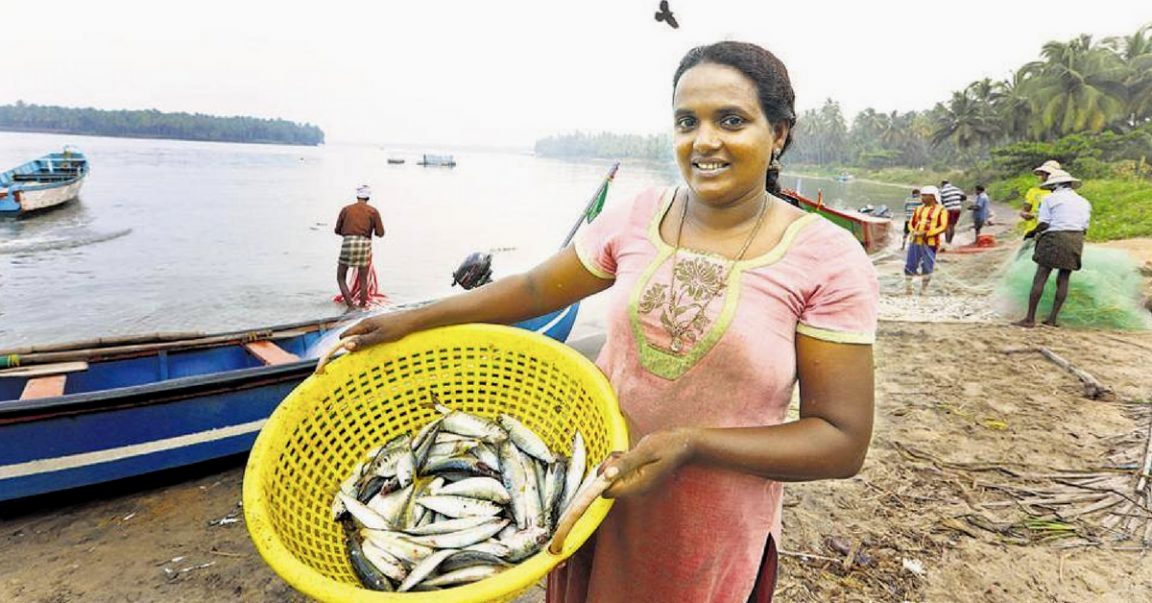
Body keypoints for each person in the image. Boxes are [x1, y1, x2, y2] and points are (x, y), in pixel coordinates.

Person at [338, 41, 879, 603]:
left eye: (733, 121)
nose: (704, 141)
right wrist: (413, 319)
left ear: (780, 134)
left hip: (709, 527)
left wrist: (693, 444)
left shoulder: (826, 258)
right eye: (687, 121)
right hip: (592, 497)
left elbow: (840, 441)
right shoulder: (641, 215)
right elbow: (532, 288)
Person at [1013, 169, 1091, 328]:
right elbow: (1084, 228)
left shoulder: (1049, 199)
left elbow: (1044, 223)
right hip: (1076, 239)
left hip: (1054, 237)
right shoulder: (1084, 202)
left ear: (1055, 185)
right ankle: (1052, 319)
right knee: (1063, 278)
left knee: (1041, 275)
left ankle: (1029, 319)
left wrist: (1033, 233)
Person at [334, 185, 385, 310]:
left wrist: (349, 233)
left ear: (357, 196)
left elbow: (337, 230)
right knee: (363, 279)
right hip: (364, 244)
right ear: (368, 197)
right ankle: (362, 307)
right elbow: (380, 233)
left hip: (348, 242)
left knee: (341, 277)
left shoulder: (346, 209)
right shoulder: (373, 211)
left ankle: (350, 306)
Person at [904, 185, 949, 295]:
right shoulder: (919, 209)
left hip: (930, 243)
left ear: (932, 197)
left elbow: (943, 226)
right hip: (915, 241)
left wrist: (927, 233)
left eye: (924, 195)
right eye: (922, 195)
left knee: (927, 265)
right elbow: (911, 223)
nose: (922, 198)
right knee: (910, 264)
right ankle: (908, 288)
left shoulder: (941, 210)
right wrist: (913, 231)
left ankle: (924, 289)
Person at [1019, 160, 1061, 235]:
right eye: (1043, 173)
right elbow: (1024, 211)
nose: (1044, 176)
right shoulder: (1033, 191)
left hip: (1054, 231)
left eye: (1048, 174)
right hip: (1033, 231)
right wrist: (1026, 215)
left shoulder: (1061, 192)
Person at [939, 179, 965, 245]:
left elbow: (940, 202)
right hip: (957, 209)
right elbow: (964, 197)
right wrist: (957, 200)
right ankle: (950, 242)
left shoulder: (942, 191)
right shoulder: (956, 189)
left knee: (947, 226)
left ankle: (947, 243)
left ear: (942, 184)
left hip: (948, 209)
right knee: (952, 226)